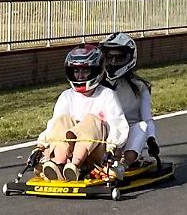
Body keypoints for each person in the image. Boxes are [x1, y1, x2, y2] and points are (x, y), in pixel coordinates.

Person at [35, 44, 130, 181]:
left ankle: (74, 166)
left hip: (99, 154)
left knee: (91, 120)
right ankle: (58, 164)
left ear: (96, 70)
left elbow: (118, 125)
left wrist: (112, 148)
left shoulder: (107, 95)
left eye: (85, 71)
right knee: (62, 120)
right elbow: (53, 127)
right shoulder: (66, 96)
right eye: (76, 71)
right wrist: (40, 146)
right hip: (68, 152)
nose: (80, 76)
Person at [100, 32, 158, 167]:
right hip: (104, 134)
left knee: (142, 126)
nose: (113, 62)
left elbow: (147, 119)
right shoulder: (97, 86)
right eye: (109, 57)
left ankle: (128, 160)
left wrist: (151, 140)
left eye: (119, 58)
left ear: (129, 58)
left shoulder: (140, 87)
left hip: (130, 132)